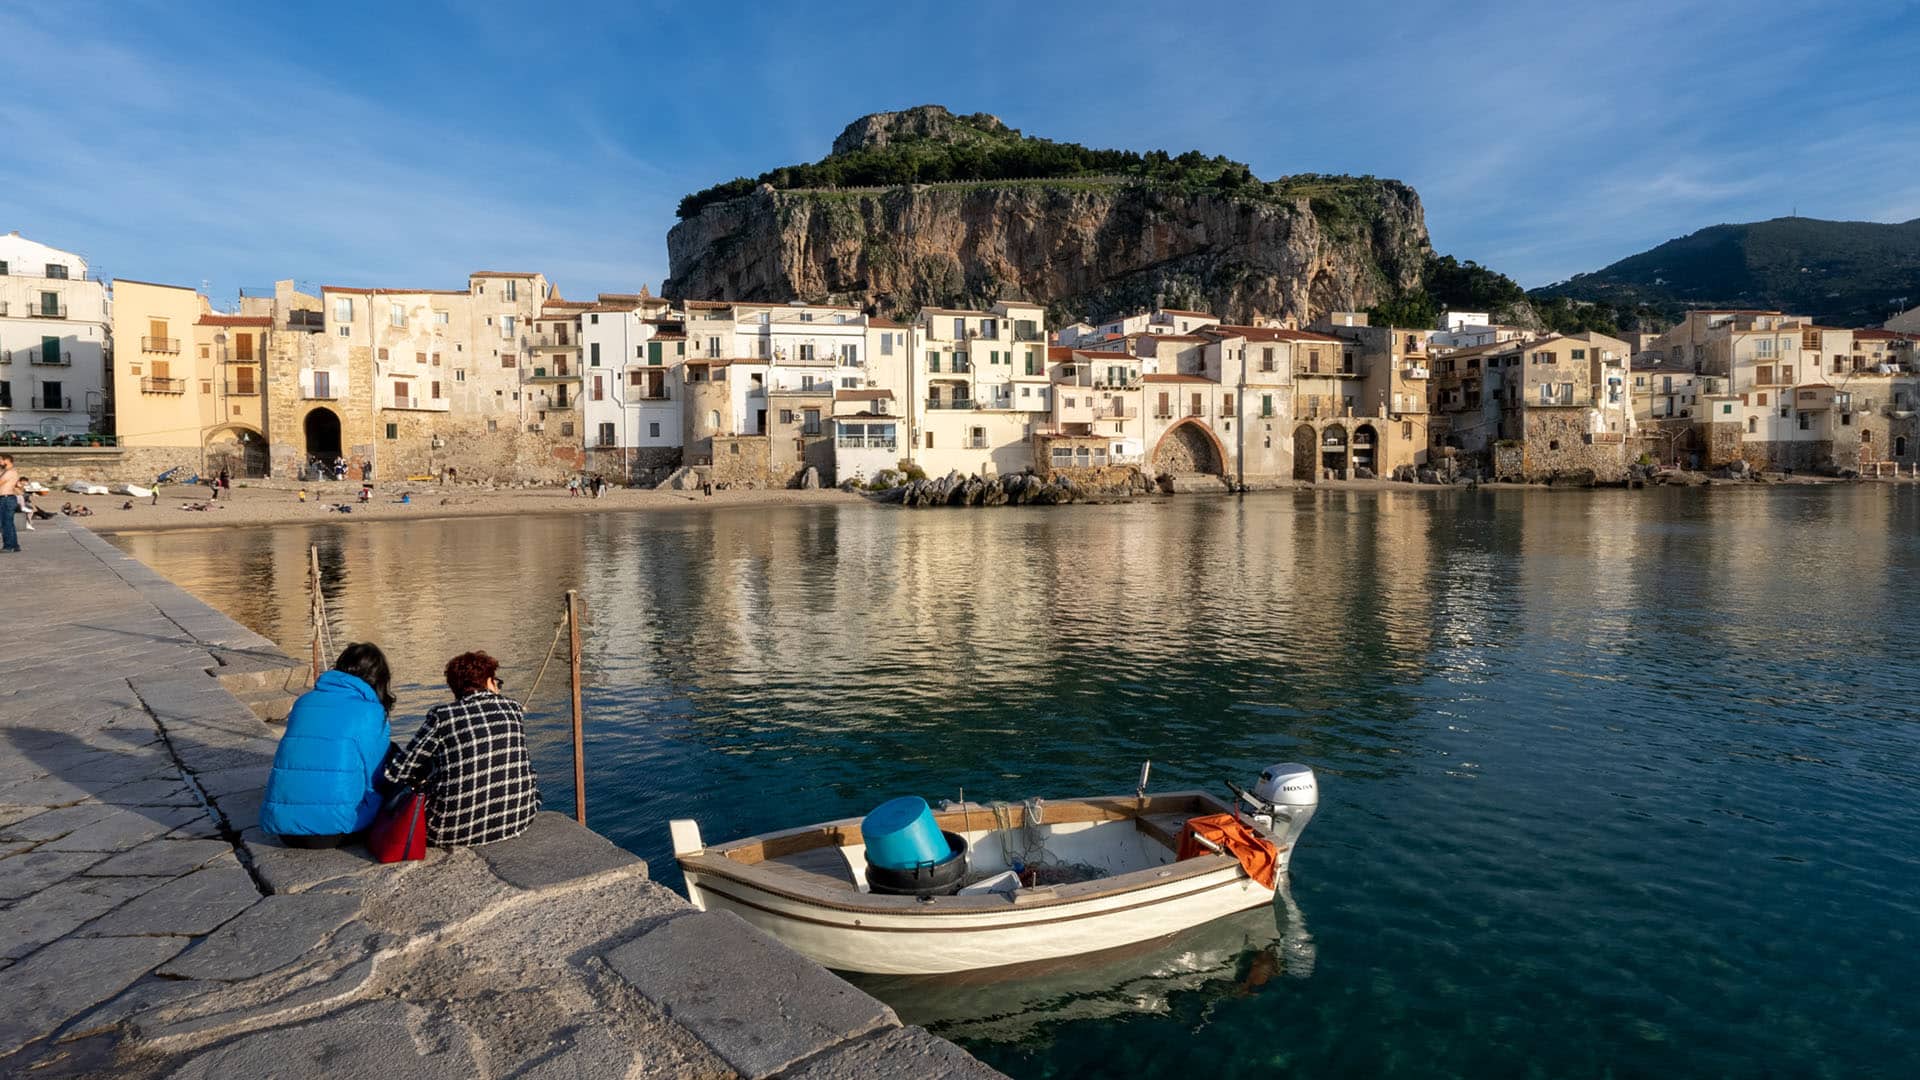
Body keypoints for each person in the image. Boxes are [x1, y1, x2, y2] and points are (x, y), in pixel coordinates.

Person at [383, 651, 539, 847]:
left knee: (428, 761)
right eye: (497, 683)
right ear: (489, 681)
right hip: (519, 819)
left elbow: (399, 771)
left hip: (449, 831)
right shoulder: (513, 708)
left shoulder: (443, 716)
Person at [260, 643, 398, 848]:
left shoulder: (303, 702)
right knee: (394, 758)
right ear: (378, 679)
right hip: (336, 831)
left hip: (285, 831)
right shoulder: (371, 712)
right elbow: (376, 778)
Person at [0, 453, 22, 553]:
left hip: (6, 499)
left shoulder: (10, 472)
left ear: (7, 460)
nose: (0, 462)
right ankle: (14, 545)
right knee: (8, 523)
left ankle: (9, 546)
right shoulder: (6, 472)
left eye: (0, 460)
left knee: (6, 523)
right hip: (6, 498)